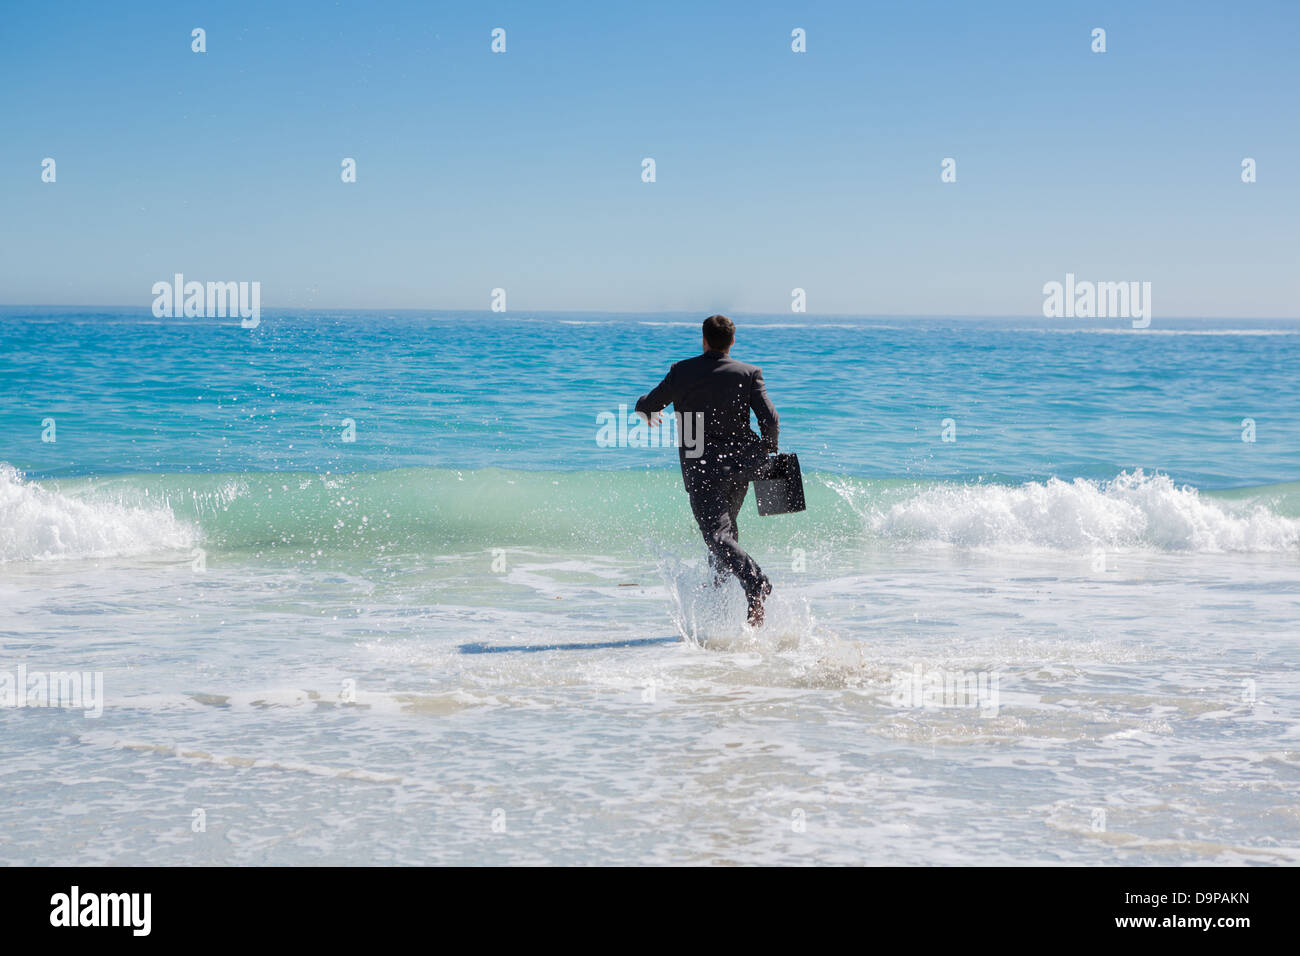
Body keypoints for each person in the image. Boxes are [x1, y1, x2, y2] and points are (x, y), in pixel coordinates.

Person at [635, 315, 779, 626]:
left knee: (717, 536)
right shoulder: (749, 373)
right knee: (726, 533)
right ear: (732, 342)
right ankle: (719, 600)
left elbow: (650, 404)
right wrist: (768, 452)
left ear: (704, 340)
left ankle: (756, 583)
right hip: (741, 466)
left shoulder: (682, 371)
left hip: (701, 466)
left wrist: (644, 408)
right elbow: (771, 421)